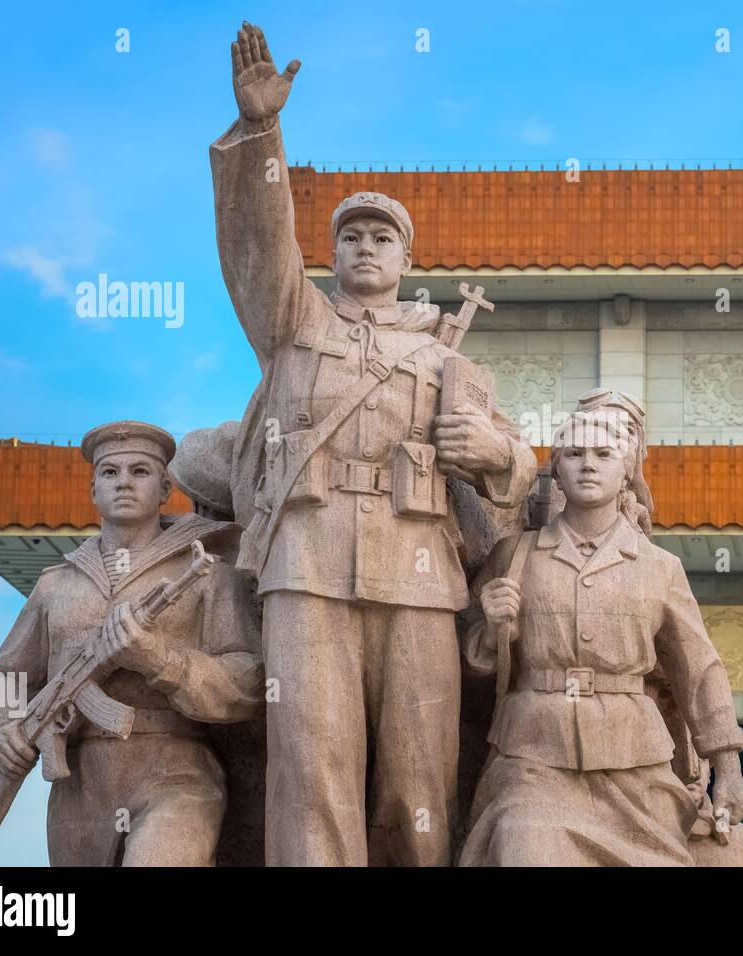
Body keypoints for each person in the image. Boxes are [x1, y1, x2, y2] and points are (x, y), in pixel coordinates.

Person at [211, 21, 537, 865]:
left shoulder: (441, 355)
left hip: (420, 572)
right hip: (308, 563)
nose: (364, 247)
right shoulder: (294, 327)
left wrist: (496, 454)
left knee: (417, 776)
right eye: (350, 236)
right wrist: (261, 135)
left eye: (381, 238)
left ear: (404, 259)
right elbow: (257, 250)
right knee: (310, 766)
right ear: (331, 255)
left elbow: (517, 464)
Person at [459, 410, 743, 865]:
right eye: (573, 454)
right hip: (534, 755)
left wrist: (728, 769)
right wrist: (494, 630)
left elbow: (699, 669)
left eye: (603, 454)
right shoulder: (515, 556)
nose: (588, 465)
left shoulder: (659, 568)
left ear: (626, 472)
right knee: (524, 842)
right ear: (556, 469)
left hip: (633, 762)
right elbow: (474, 667)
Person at [0, 421, 264, 866]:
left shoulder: (207, 571)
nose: (124, 482)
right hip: (80, 788)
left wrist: (162, 662)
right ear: (93, 490)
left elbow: (249, 681)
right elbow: (2, 675)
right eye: (110, 473)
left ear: (166, 488)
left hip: (176, 771)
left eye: (141, 471)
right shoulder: (56, 585)